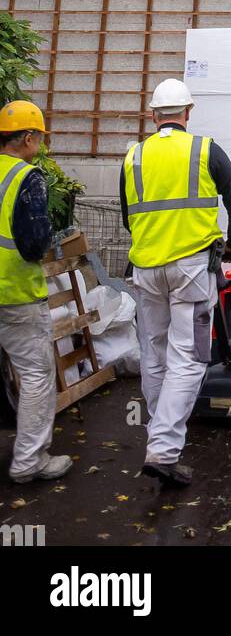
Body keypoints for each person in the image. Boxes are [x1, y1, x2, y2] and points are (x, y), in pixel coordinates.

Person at [121, 78, 231, 487]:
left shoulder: (133, 157)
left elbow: (129, 215)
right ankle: (162, 449)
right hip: (191, 270)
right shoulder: (205, 149)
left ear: (153, 115)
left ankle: (159, 441)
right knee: (189, 359)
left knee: (154, 354)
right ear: (188, 114)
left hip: (145, 268)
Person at [0, 100, 72, 484]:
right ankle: (29, 462)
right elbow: (33, 243)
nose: (41, 146)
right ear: (27, 138)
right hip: (15, 294)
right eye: (39, 139)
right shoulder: (28, 177)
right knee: (35, 376)